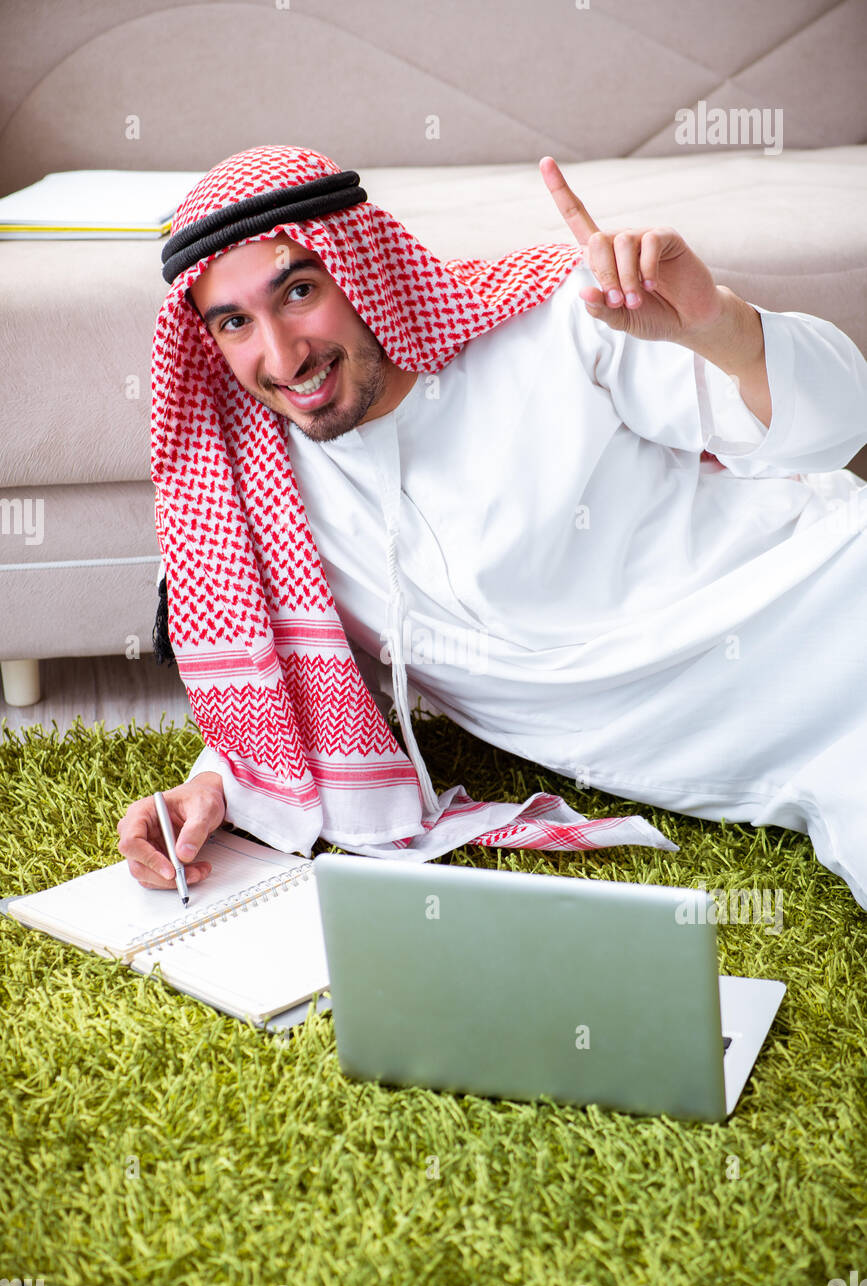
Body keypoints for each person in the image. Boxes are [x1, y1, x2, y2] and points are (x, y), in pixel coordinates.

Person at [117, 145, 867, 911]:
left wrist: (721, 327)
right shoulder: (254, 494)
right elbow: (300, 684)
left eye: (300, 291)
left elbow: (836, 427)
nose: (282, 355)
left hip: (826, 598)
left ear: (362, 270)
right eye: (235, 322)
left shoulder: (560, 320)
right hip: (797, 760)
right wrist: (214, 785)